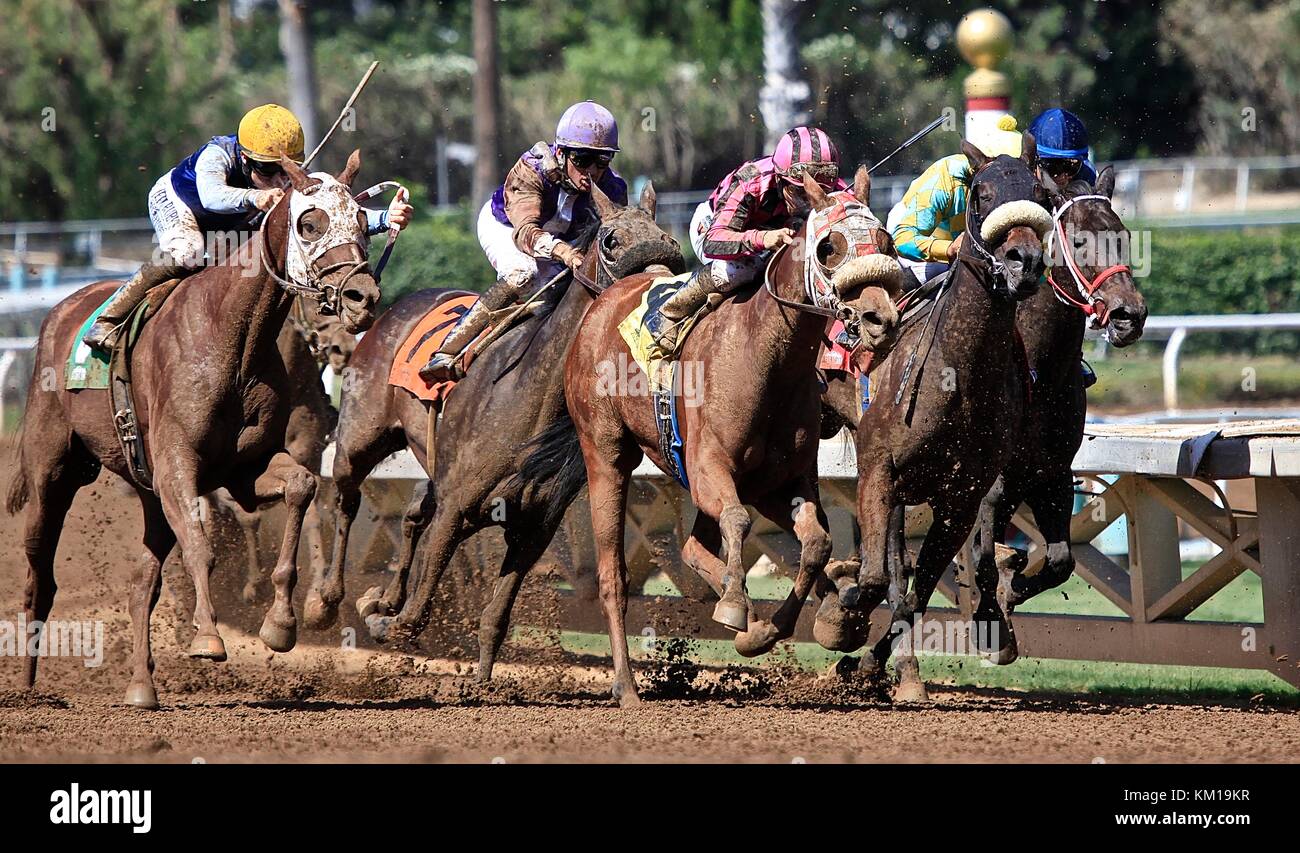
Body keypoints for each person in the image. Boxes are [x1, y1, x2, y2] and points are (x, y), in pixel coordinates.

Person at [84, 104, 412, 351]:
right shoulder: (217, 155)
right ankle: (109, 318)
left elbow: (327, 223)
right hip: (182, 205)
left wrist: (387, 218)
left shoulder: (281, 181)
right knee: (188, 252)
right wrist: (255, 198)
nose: (279, 179)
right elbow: (211, 197)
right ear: (244, 158)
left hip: (235, 220)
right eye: (267, 169)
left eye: (286, 169)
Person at [419, 101, 627, 383]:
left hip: (559, 241)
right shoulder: (531, 170)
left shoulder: (613, 188)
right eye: (582, 159)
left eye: (602, 161)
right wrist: (563, 251)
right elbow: (525, 232)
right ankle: (448, 351)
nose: (592, 170)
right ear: (562, 153)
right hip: (506, 227)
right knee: (522, 273)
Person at [645, 126, 848, 353]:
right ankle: (668, 314)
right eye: (800, 193)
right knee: (744, 268)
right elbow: (714, 240)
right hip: (714, 229)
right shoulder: (750, 182)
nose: (809, 202)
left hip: (774, 233)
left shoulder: (835, 190)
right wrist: (763, 238)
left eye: (817, 192)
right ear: (781, 179)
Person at [886, 114, 1028, 290]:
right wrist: (948, 249)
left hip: (970, 248)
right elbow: (902, 239)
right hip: (918, 244)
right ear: (977, 162)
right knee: (949, 273)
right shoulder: (945, 180)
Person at [1029, 107, 1097, 189]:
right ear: (1033, 162)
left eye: (1071, 167)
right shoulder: (1018, 182)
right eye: (1053, 167)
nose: (1063, 177)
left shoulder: (1089, 177)